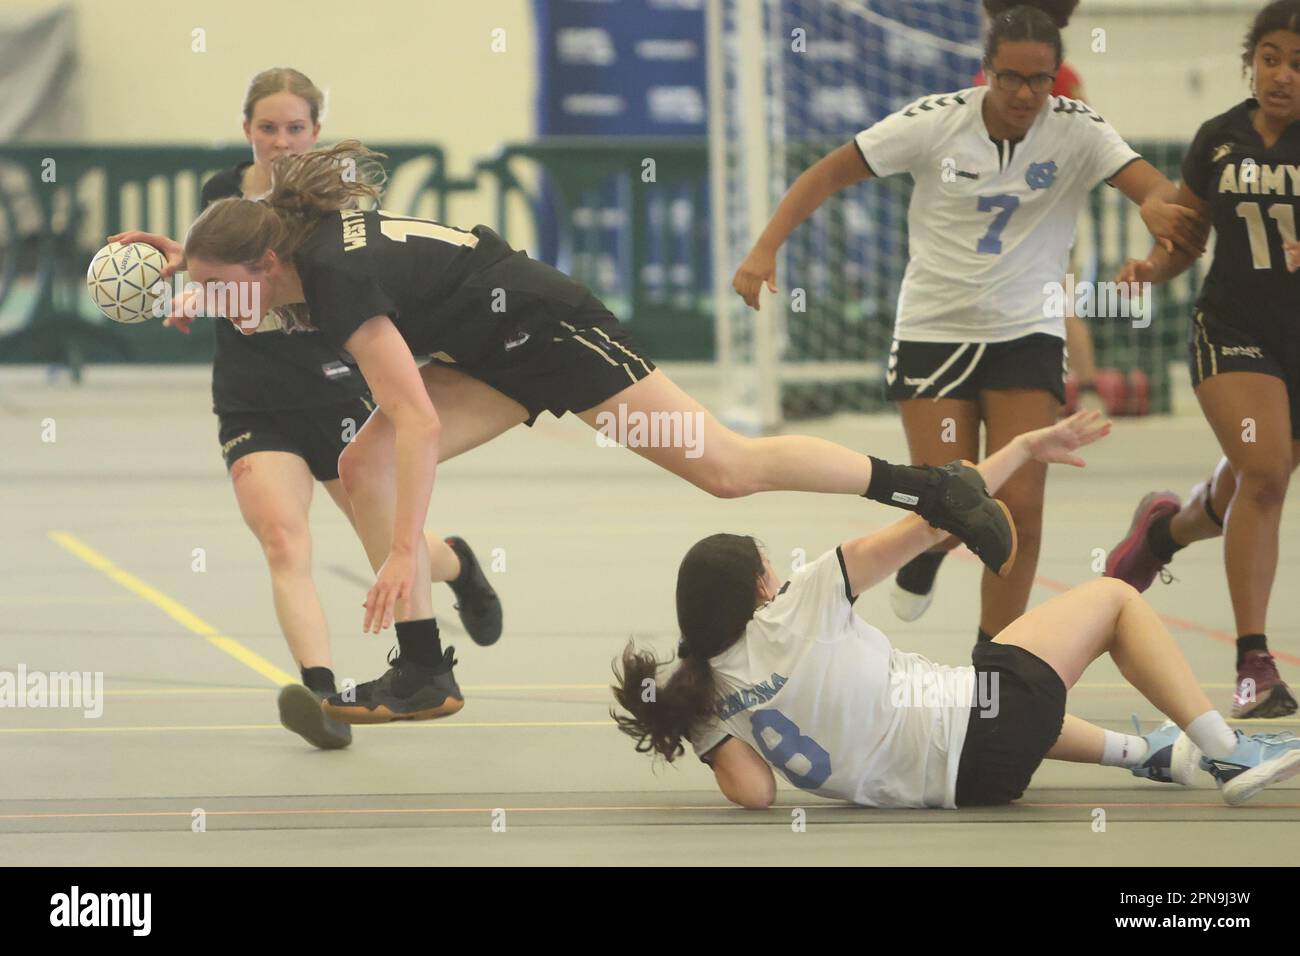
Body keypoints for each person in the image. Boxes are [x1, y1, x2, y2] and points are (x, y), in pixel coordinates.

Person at [178, 140, 1017, 724]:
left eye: (223, 290)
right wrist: (182, 274)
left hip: (547, 330)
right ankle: (424, 670)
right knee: (361, 469)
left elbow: (419, 421)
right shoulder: (285, 247)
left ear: (263, 265)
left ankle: (933, 487)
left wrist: (404, 549)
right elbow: (248, 283)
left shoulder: (334, 278)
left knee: (726, 467)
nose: (219, 307)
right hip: (487, 343)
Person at [733, 5, 1202, 646]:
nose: (1023, 94)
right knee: (952, 506)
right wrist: (766, 249)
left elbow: (1158, 194)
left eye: (1039, 80)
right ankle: (928, 549)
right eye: (1009, 78)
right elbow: (828, 172)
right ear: (987, 71)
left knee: (1022, 511)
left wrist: (1156, 221)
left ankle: (996, 660)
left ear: (1055, 78)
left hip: (1025, 334)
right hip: (936, 331)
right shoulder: (935, 123)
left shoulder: (1079, 130)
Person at [612, 411, 1300, 809]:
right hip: (980, 723)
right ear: (763, 590)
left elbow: (755, 794)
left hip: (974, 785)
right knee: (1115, 601)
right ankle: (1227, 750)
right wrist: (1024, 450)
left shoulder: (709, 690)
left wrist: (711, 738)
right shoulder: (806, 599)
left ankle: (1144, 753)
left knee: (987, 700)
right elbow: (938, 516)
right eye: (769, 568)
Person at [108, 68, 502, 749]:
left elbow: (315, 301)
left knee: (389, 547)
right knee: (284, 540)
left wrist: (209, 296)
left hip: (334, 389)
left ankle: (459, 563)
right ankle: (322, 697)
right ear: (246, 131)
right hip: (252, 396)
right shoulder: (221, 197)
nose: (281, 142)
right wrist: (185, 277)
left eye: (295, 128)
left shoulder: (331, 211)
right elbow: (225, 277)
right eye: (268, 128)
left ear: (316, 132)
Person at [1107, 0, 1300, 718]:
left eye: (1298, 63)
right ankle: (1253, 663)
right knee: (1266, 472)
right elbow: (1184, 240)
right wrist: (1150, 269)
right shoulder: (1217, 140)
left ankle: (1160, 531)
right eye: (1271, 57)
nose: (1282, 75)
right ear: (1251, 61)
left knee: (1259, 481)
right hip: (1232, 331)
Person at [976, 0, 1104, 408]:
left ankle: (1082, 389)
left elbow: (1089, 135)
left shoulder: (1050, 77)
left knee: (1055, 300)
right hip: (1012, 213)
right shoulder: (996, 77)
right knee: (1049, 301)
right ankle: (1076, 390)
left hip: (1037, 213)